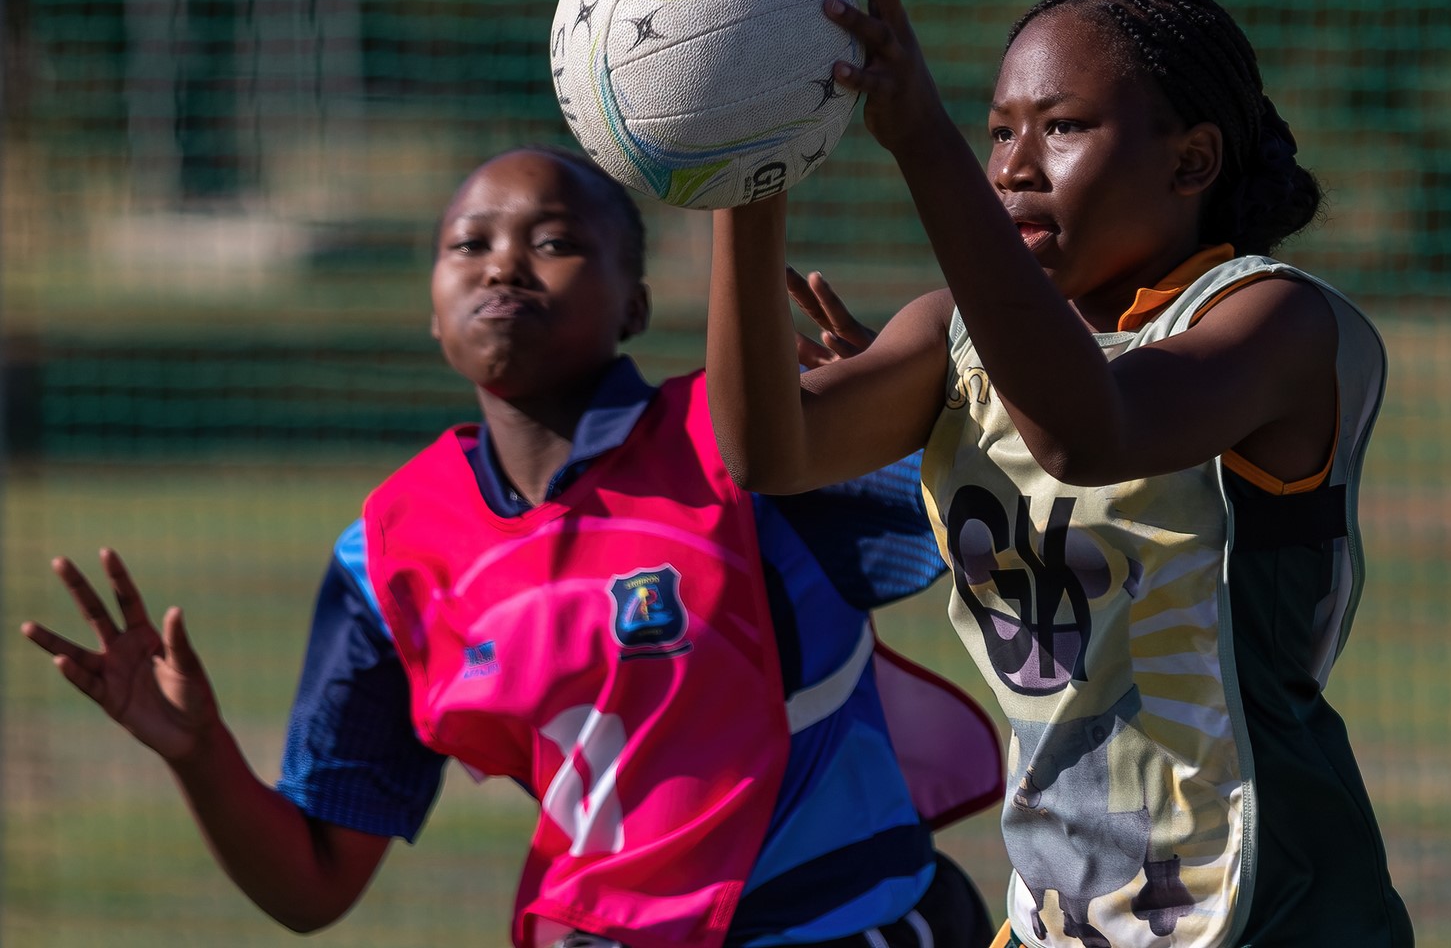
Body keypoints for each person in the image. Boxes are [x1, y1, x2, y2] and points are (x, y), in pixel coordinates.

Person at [20, 145, 1002, 948]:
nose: (503, 262)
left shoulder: (752, 442)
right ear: (433, 313)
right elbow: (314, 883)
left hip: (846, 922)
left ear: (635, 303)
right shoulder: (391, 551)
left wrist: (903, 415)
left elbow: (1014, 516)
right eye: (468, 244)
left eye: (555, 240)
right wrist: (199, 754)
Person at [705, 0, 1415, 948]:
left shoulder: (1275, 324)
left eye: (1062, 126)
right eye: (995, 133)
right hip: (1061, 910)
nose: (1014, 168)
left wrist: (923, 136)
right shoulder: (959, 332)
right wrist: (747, 167)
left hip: (1271, 906)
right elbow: (769, 453)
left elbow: (1093, 430)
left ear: (1193, 160)